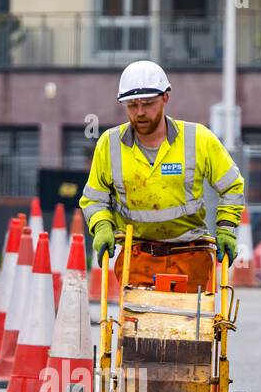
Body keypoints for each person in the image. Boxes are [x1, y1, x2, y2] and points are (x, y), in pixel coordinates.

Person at [79, 60, 245, 291]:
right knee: (138, 325)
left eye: (148, 103)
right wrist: (102, 227)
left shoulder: (198, 139)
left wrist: (226, 228)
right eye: (132, 105)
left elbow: (232, 186)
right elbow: (94, 199)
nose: (140, 113)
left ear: (165, 97)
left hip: (191, 256)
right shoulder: (109, 144)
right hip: (137, 258)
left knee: (188, 324)